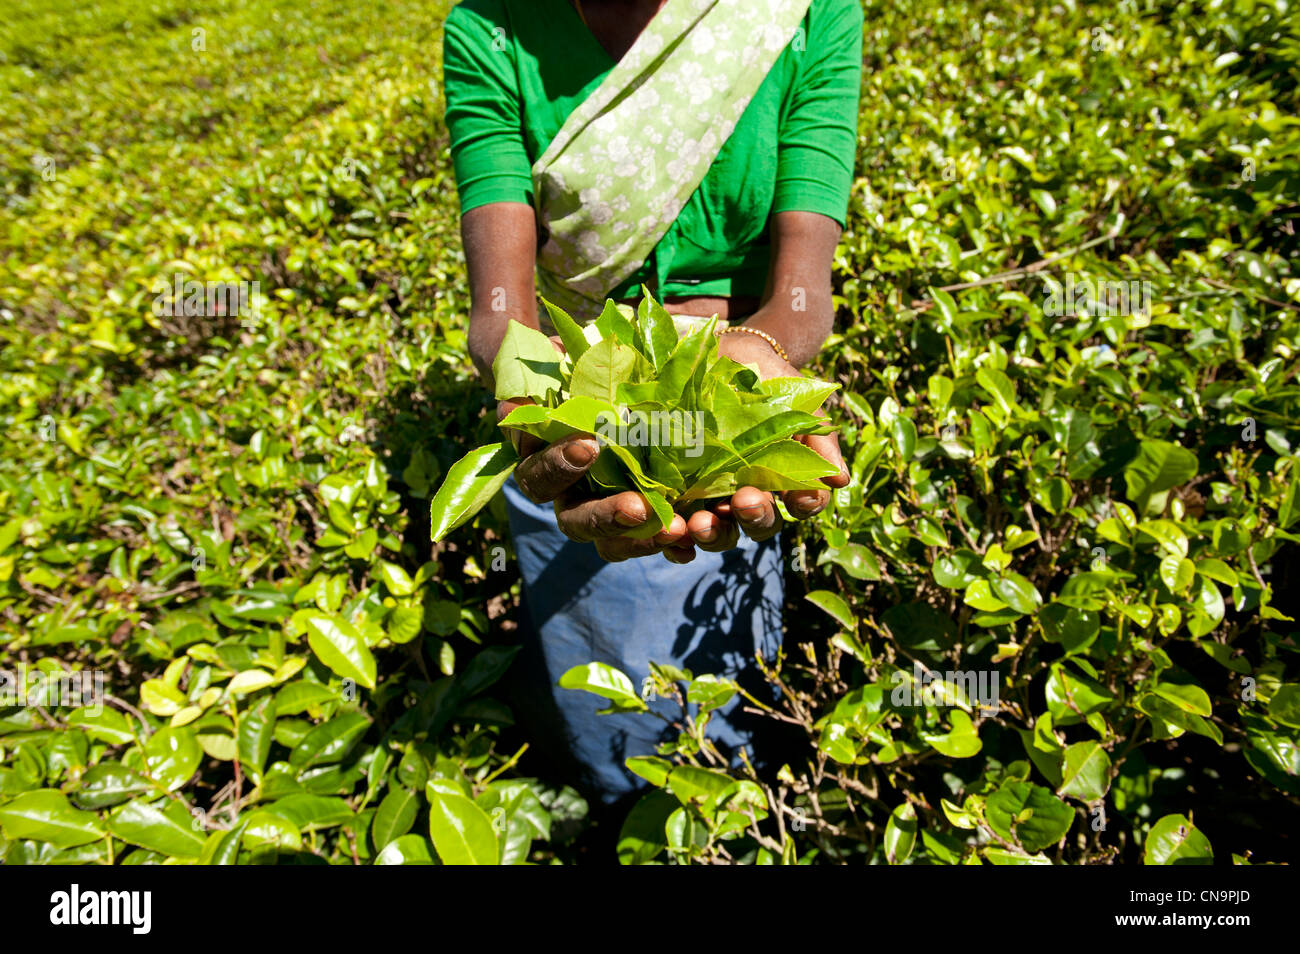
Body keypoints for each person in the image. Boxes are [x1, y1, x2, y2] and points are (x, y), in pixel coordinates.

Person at [442, 0, 862, 809]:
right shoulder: (492, 25)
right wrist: (533, 391)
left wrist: (759, 360)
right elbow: (503, 307)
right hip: (577, 411)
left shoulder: (803, 12)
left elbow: (802, 296)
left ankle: (732, 822)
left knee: (720, 688)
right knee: (603, 684)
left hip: (730, 405)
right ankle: (614, 813)